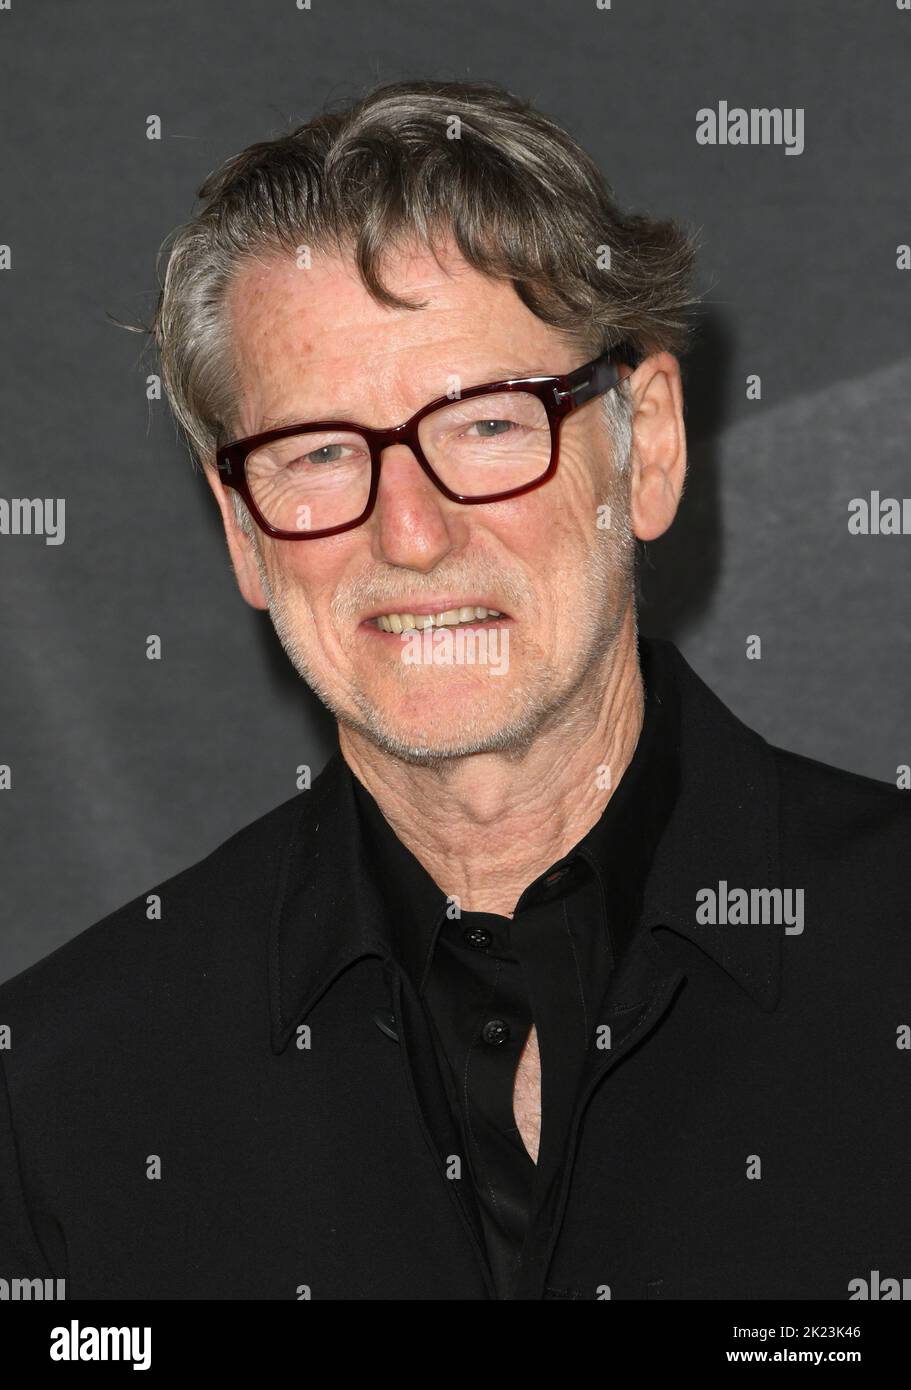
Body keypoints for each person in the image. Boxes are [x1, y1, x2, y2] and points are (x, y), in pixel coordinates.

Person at [1, 79, 908, 1302]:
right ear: (243, 533)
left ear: (646, 442)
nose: (412, 535)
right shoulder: (61, 1092)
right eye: (319, 452)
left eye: (485, 425)